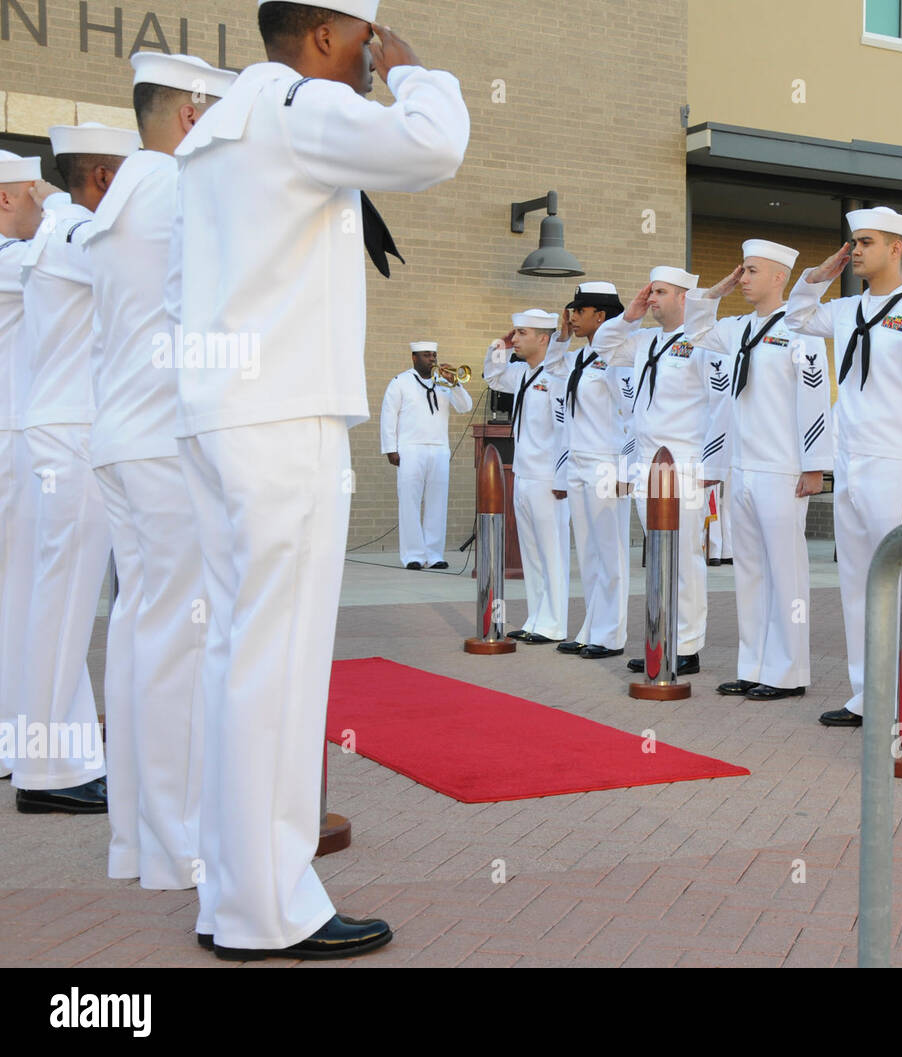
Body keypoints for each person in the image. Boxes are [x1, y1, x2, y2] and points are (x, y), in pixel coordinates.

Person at [172, 0, 469, 958]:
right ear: (331, 35)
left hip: (221, 416)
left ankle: (234, 893)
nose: (371, 64)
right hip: (283, 416)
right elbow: (433, 146)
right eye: (367, 46)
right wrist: (420, 70)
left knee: (237, 662)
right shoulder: (297, 110)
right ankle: (272, 909)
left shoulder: (217, 130)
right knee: (280, 666)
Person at [79, 53, 235, 888]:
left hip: (116, 438)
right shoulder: (177, 188)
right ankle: (183, 849)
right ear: (188, 115)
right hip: (164, 441)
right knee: (177, 640)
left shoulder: (121, 194)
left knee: (141, 638)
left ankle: (137, 838)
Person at [783, 208, 902, 728]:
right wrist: (819, 275)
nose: (855, 250)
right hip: (851, 465)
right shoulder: (844, 311)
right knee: (857, 582)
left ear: (895, 247)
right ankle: (867, 694)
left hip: (900, 468)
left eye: (864, 242)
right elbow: (796, 316)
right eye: (852, 242)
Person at [15, 122, 139, 813]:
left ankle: (63, 757)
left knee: (60, 600)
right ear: (102, 179)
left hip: (67, 429)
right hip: (72, 434)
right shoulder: (74, 234)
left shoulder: (58, 233)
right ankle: (43, 770)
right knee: (63, 606)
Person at [684, 239, 832, 701]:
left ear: (779, 278)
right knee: (748, 571)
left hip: (783, 468)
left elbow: (814, 398)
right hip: (744, 468)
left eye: (750, 271)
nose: (743, 278)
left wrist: (814, 467)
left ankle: (788, 671)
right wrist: (714, 291)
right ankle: (753, 666)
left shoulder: (800, 328)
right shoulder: (735, 329)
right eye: (741, 271)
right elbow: (695, 331)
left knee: (786, 573)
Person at [590, 266, 731, 678]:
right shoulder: (645, 340)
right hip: (646, 466)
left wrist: (712, 465)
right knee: (659, 558)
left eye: (660, 292)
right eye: (650, 292)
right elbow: (602, 346)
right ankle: (661, 636)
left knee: (685, 557)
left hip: (684, 466)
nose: (651, 298)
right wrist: (629, 315)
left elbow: (722, 406)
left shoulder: (704, 341)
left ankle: (686, 646)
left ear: (684, 297)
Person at [0, 152, 56, 782]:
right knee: (21, 593)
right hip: (13, 439)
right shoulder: (17, 262)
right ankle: (16, 740)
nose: (43, 210)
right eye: (34, 197)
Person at [551, 282, 633, 659]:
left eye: (579, 311)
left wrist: (626, 469)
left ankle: (611, 634)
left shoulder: (618, 355)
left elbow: (632, 416)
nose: (572, 317)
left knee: (610, 552)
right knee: (587, 552)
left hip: (606, 462)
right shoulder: (581, 356)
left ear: (600, 316)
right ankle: (590, 627)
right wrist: (560, 338)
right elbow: (551, 373)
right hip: (579, 462)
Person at [482, 311, 570, 644]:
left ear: (544, 338)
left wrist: (561, 477)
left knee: (552, 552)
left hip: (548, 476)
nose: (515, 338)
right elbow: (493, 376)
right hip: (524, 472)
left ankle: (555, 623)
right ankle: (537, 618)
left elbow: (564, 430)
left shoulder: (558, 374)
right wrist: (500, 345)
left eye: (521, 333)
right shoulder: (522, 372)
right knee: (532, 551)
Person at [379, 341, 472, 570]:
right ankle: (413, 555)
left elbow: (465, 406)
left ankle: (434, 554)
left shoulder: (443, 382)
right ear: (414, 358)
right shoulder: (400, 382)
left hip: (439, 449)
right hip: (410, 449)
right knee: (409, 502)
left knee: (437, 503)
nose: (432, 359)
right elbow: (388, 416)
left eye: (433, 354)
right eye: (426, 355)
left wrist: (455, 384)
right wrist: (390, 448)